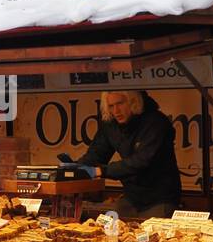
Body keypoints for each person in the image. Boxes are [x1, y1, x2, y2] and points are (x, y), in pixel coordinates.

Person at [70, 90, 183, 220]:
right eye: (111, 106)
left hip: (161, 199)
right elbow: (95, 155)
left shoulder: (156, 122)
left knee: (154, 238)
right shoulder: (111, 125)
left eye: (120, 103)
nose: (116, 110)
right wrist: (72, 169)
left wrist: (101, 170)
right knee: (111, 233)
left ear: (134, 102)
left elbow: (140, 162)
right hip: (131, 198)